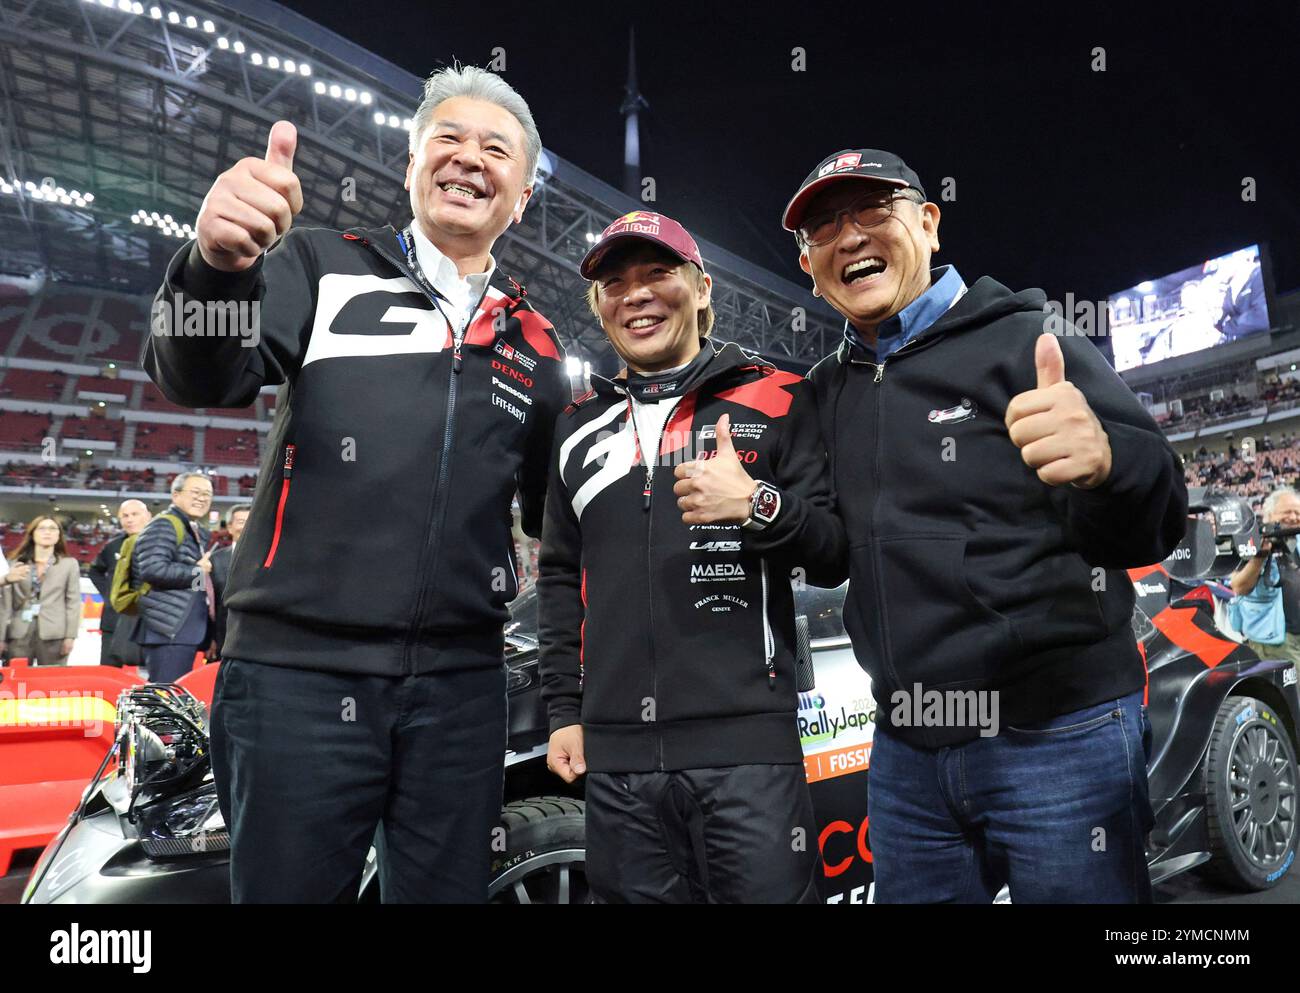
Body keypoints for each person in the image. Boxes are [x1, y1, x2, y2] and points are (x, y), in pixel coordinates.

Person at [144, 66, 568, 903]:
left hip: (460, 691)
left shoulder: (540, 344)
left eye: (497, 149)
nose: (469, 159)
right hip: (297, 678)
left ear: (519, 200)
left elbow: (555, 523)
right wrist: (215, 265)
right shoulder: (318, 265)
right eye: (447, 138)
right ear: (412, 165)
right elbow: (199, 374)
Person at [784, 148, 1187, 903]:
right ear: (809, 265)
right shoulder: (824, 393)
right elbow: (829, 550)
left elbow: (1160, 513)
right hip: (906, 753)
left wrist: (1109, 461)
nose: (848, 237)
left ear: (929, 224)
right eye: (822, 227)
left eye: (873, 210)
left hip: (1058, 736)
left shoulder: (1029, 335)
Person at [538, 211, 846, 903]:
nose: (635, 294)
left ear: (703, 288)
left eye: (657, 273)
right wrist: (564, 709)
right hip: (616, 766)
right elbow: (560, 573)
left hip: (748, 754)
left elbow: (833, 551)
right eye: (614, 283)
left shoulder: (779, 397)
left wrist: (762, 504)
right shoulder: (575, 423)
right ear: (600, 307)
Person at [132, 472, 214, 684]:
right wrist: (198, 571)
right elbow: (152, 569)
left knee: (173, 697)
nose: (202, 498)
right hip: (168, 628)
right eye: (195, 492)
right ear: (175, 495)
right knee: (166, 696)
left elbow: (195, 582)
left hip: (182, 627)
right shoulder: (164, 525)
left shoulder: (194, 530)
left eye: (207, 494)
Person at [1229, 487, 1300, 667]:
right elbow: (1239, 587)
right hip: (1275, 641)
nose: (1293, 517)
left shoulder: (1296, 540)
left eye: (1297, 512)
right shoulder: (1252, 540)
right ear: (1269, 514)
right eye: (1287, 512)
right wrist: (1259, 557)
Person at [0, 517, 82, 665]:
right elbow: (5, 604)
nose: (47, 532)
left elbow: (73, 602)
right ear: (32, 534)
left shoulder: (69, 564)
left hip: (55, 633)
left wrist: (70, 636)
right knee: (17, 682)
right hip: (18, 632)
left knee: (53, 683)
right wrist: (0, 638)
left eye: (52, 529)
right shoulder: (15, 563)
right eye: (42, 528)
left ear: (59, 536)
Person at [87, 499, 151, 666]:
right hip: (114, 619)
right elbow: (94, 571)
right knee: (109, 671)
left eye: (135, 514)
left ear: (148, 516)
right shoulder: (112, 546)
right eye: (125, 516)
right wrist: (110, 594)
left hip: (147, 620)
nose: (129, 519)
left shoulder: (162, 544)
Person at [208, 503, 249, 660]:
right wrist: (210, 639)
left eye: (251, 521)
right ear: (230, 527)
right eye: (241, 522)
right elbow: (205, 600)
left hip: (260, 639)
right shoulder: (214, 559)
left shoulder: (270, 558)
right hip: (223, 638)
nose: (246, 526)